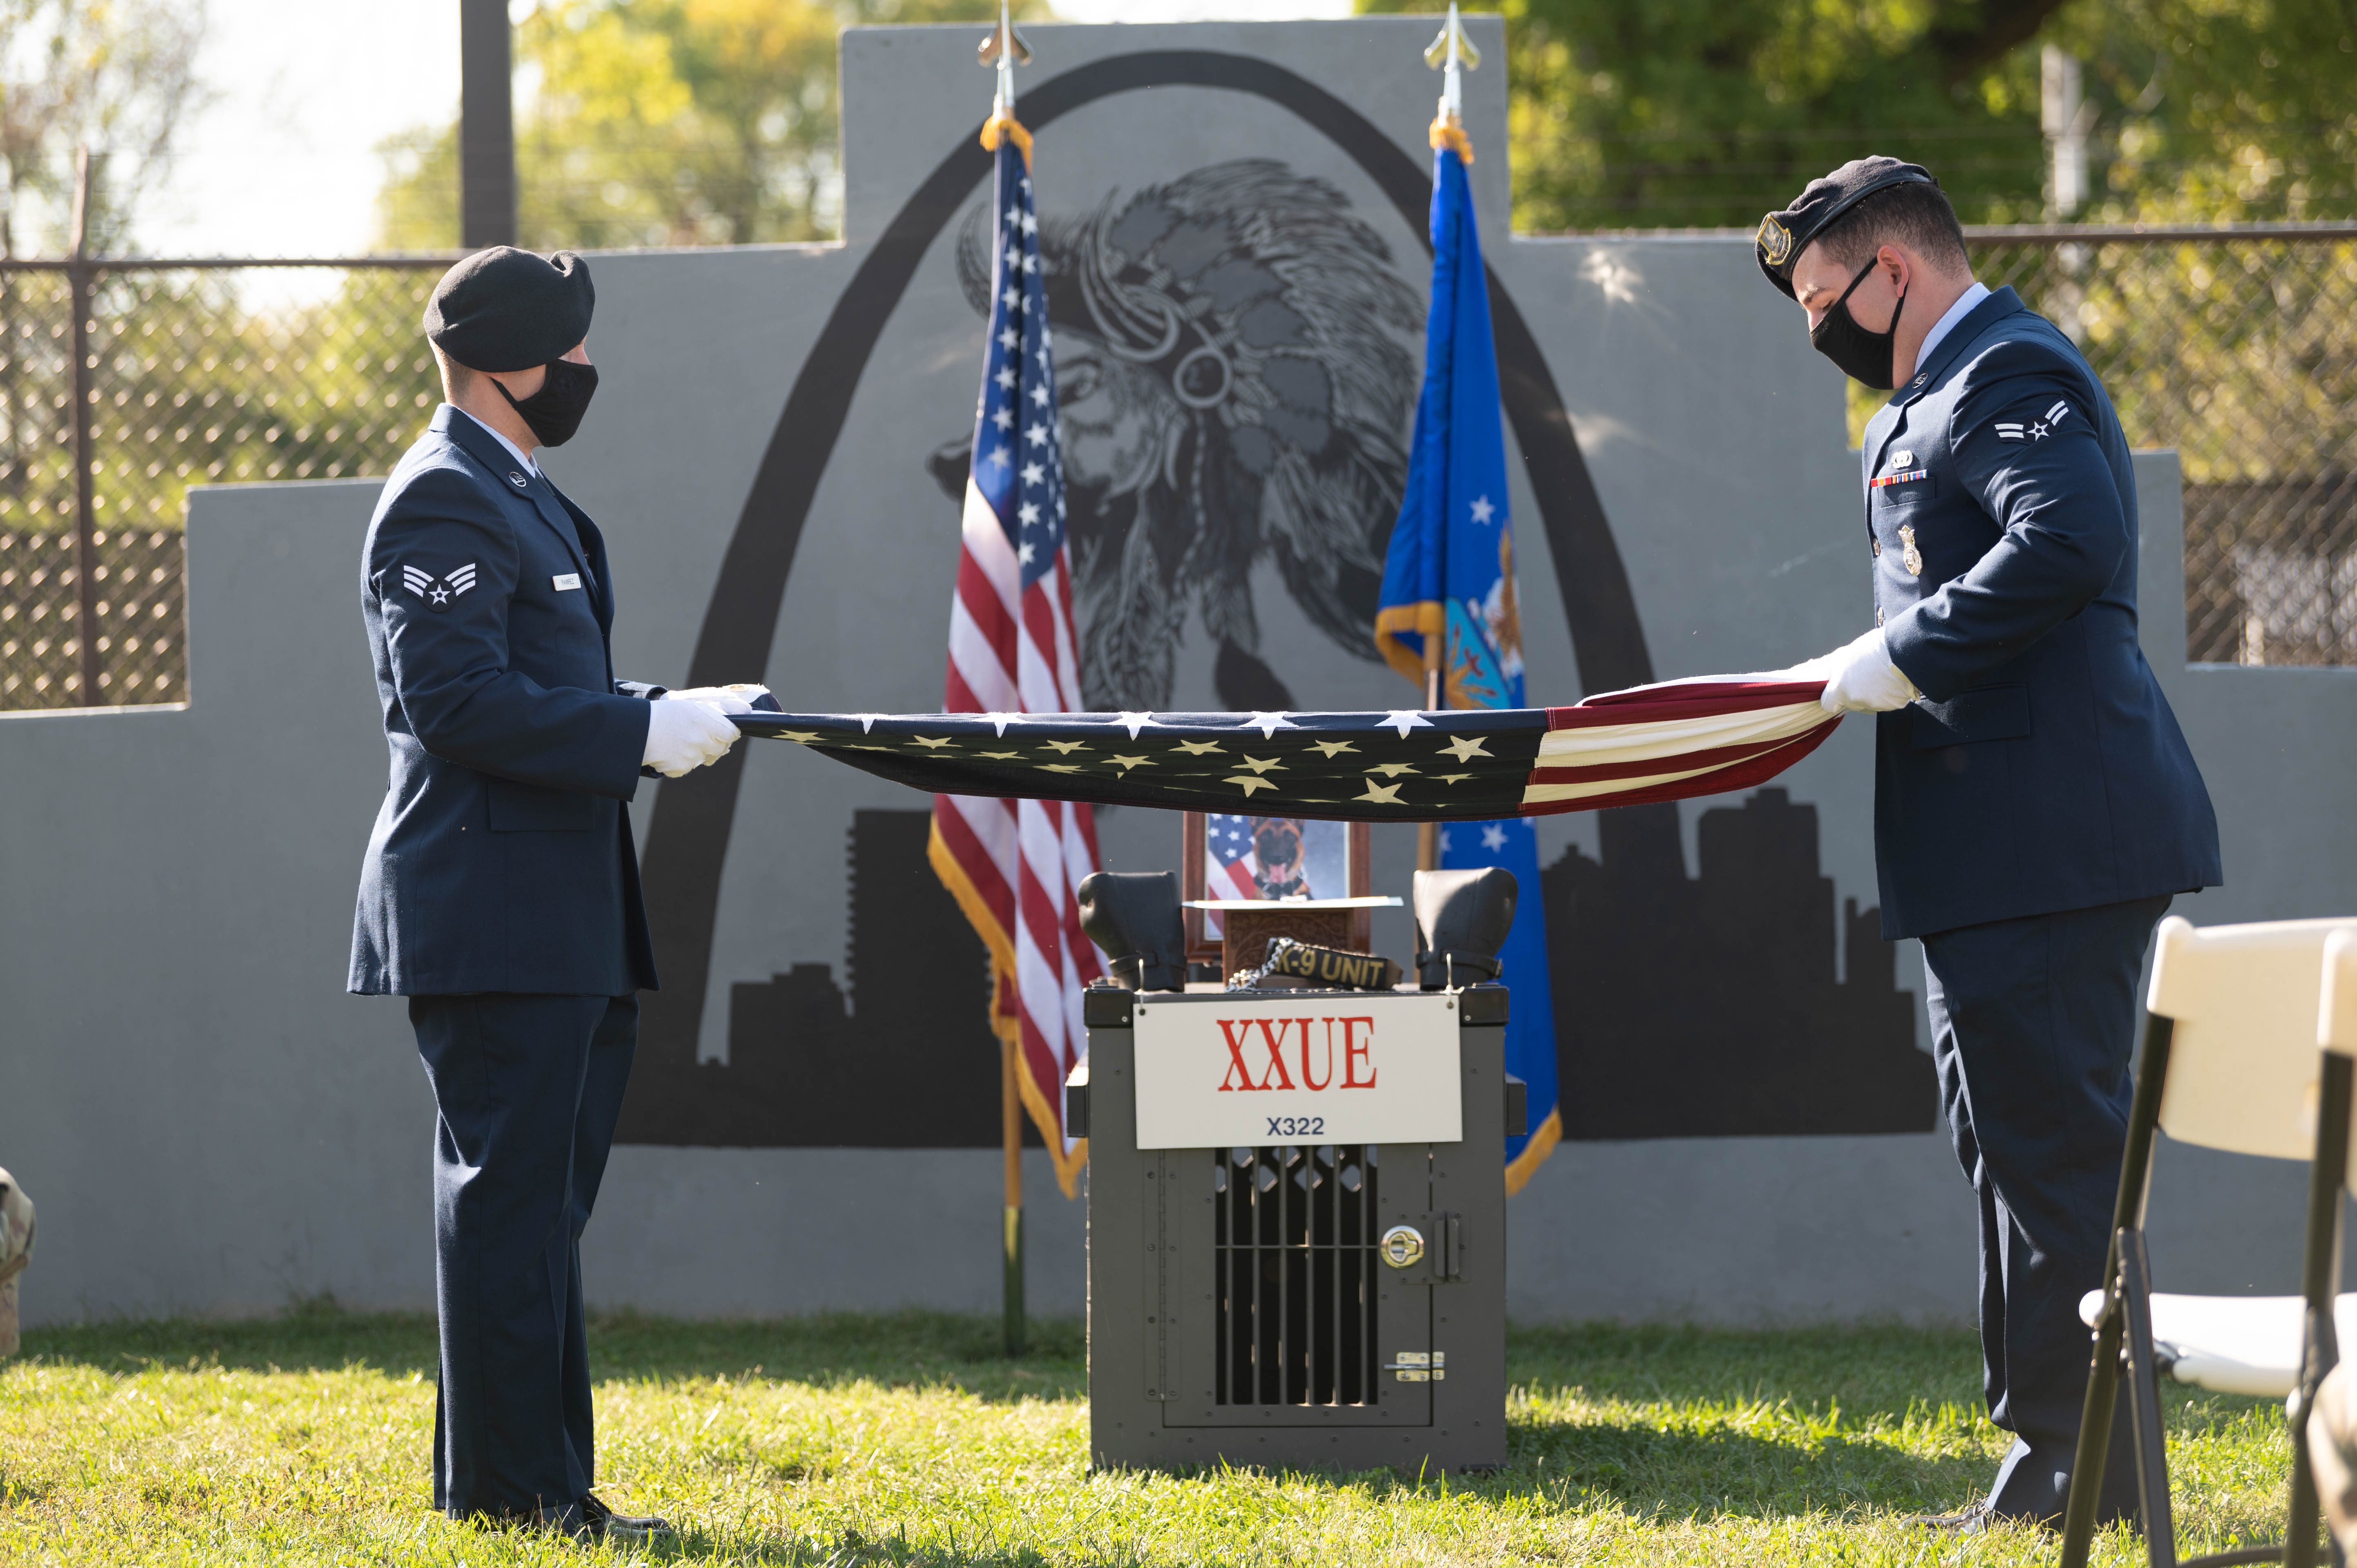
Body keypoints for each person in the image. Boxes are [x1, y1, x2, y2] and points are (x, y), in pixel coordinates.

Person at [1758, 159, 2222, 1532]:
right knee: (2005, 1144)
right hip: (1988, 854)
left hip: (2050, 846)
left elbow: (2068, 540)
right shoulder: (1926, 402)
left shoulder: (2010, 373)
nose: (1817, 329)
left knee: (2058, 1152)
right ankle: (2048, 1451)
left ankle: (2108, 1465)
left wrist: (1896, 655)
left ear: (1892, 271)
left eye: (1824, 297)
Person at [348, 246, 760, 1541]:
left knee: (536, 1218)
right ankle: (524, 1502)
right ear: (513, 360)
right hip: (496, 912)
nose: (587, 369)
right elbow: (456, 702)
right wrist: (637, 735)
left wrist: (648, 710)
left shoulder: (513, 493)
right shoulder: (445, 500)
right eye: (570, 349)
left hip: (557, 907)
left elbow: (528, 683)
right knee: (511, 1210)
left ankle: (523, 1486)